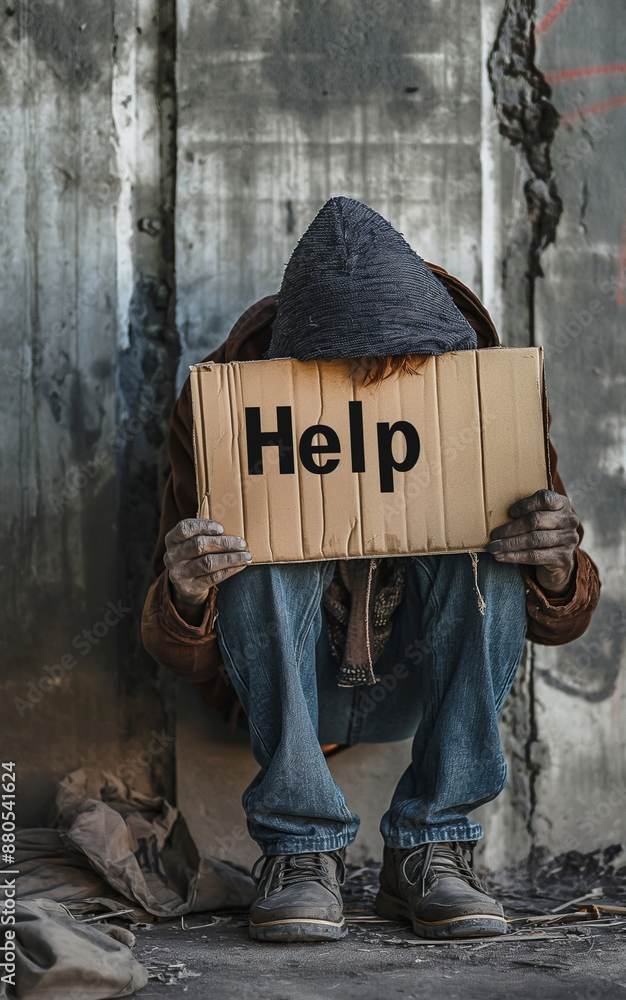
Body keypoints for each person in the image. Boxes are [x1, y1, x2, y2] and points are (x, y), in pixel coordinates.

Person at [142, 197, 600, 942]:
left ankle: (434, 844)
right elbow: (176, 651)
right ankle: (298, 851)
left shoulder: (484, 394)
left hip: (422, 679)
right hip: (293, 687)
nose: (366, 396)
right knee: (245, 542)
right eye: (342, 378)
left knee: (495, 540)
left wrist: (554, 567)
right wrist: (188, 589)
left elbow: (561, 622)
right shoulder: (224, 405)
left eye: (392, 376)